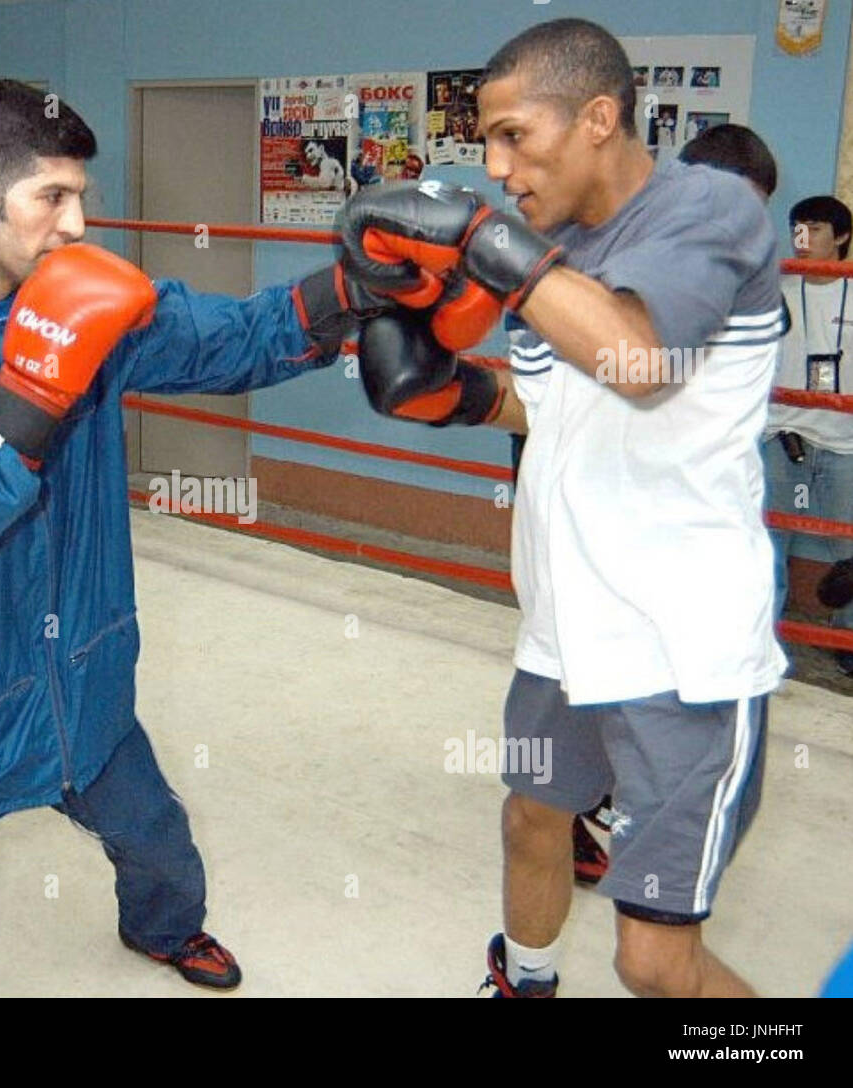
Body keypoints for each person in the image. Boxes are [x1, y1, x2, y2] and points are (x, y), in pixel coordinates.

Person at [0, 79, 377, 997]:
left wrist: (349, 289)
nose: (76, 224)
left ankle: (162, 929)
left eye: (82, 198)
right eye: (52, 198)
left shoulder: (81, 301)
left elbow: (235, 337)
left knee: (159, 844)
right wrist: (33, 394)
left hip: (73, 667)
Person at [340, 17, 784, 997]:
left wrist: (483, 240)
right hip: (564, 631)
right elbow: (553, 403)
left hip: (682, 650)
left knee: (654, 961)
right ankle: (525, 982)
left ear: (596, 116)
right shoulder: (554, 251)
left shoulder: (708, 208)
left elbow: (636, 359)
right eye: (486, 145)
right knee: (529, 817)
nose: (496, 168)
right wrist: (458, 396)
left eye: (511, 136)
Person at [566, 120, 783, 888]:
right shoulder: (598, 255)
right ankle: (585, 803)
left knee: (658, 949)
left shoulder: (722, 285)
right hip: (592, 568)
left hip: (691, 581)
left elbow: (645, 369)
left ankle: (657, 805)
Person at [764, 195, 853, 676]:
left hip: (845, 439)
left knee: (851, 550)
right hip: (784, 433)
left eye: (815, 229)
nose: (802, 238)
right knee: (767, 543)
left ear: (840, 236)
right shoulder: (775, 286)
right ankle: (764, 640)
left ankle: (845, 638)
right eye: (797, 228)